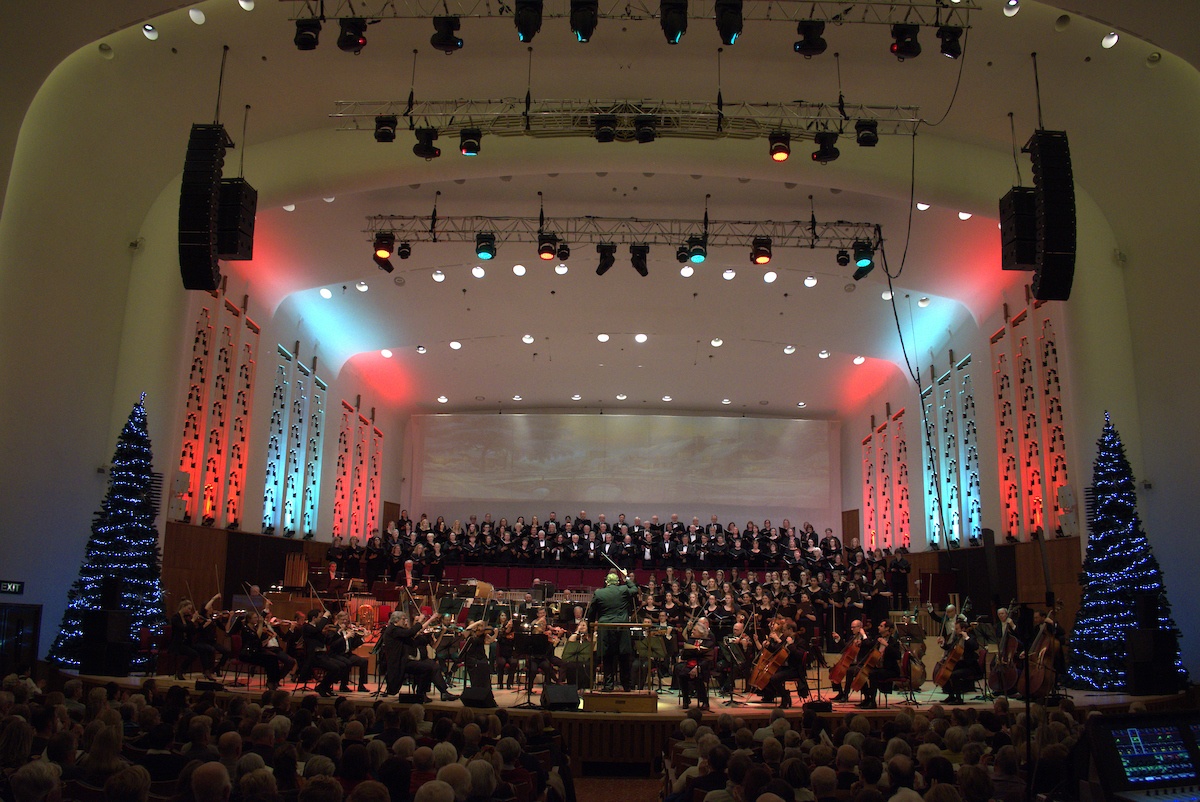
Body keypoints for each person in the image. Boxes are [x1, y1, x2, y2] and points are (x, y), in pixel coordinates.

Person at [588, 569, 639, 691]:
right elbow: (635, 589)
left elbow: (591, 612)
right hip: (621, 627)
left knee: (608, 658)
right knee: (624, 658)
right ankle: (626, 686)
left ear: (606, 582)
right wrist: (626, 577)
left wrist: (590, 627)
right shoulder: (623, 590)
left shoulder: (599, 593)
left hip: (605, 628)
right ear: (617, 582)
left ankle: (608, 685)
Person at [756, 617, 807, 709]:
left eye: (784, 630)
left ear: (790, 630)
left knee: (774, 678)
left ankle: (785, 696)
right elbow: (776, 649)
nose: (782, 632)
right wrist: (768, 646)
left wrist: (791, 645)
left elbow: (799, 656)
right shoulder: (785, 639)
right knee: (767, 676)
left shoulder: (800, 641)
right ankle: (784, 695)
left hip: (795, 669)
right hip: (785, 668)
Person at [854, 619, 902, 710]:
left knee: (872, 674)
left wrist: (886, 645)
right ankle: (867, 697)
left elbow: (897, 655)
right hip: (879, 668)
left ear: (887, 628)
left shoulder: (893, 641)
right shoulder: (878, 638)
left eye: (881, 626)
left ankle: (872, 702)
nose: (878, 627)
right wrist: (861, 642)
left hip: (890, 670)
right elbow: (869, 644)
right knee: (859, 671)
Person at [675, 616, 715, 709]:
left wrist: (697, 668)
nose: (692, 632)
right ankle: (686, 699)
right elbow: (685, 655)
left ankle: (704, 701)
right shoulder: (690, 641)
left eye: (694, 630)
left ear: (700, 633)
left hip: (702, 666)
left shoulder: (708, 642)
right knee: (682, 674)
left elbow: (707, 659)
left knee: (699, 677)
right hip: (690, 664)